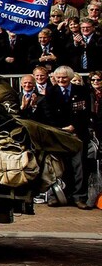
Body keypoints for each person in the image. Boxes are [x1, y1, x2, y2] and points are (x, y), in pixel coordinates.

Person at [36, 65, 93, 209]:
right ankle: (58, 196)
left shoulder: (82, 91)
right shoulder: (51, 91)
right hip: (59, 135)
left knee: (79, 166)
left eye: (64, 77)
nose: (61, 80)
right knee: (59, 167)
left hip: (77, 134)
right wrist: (59, 129)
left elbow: (85, 113)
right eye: (58, 77)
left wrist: (74, 127)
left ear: (70, 77)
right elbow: (48, 113)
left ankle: (79, 197)